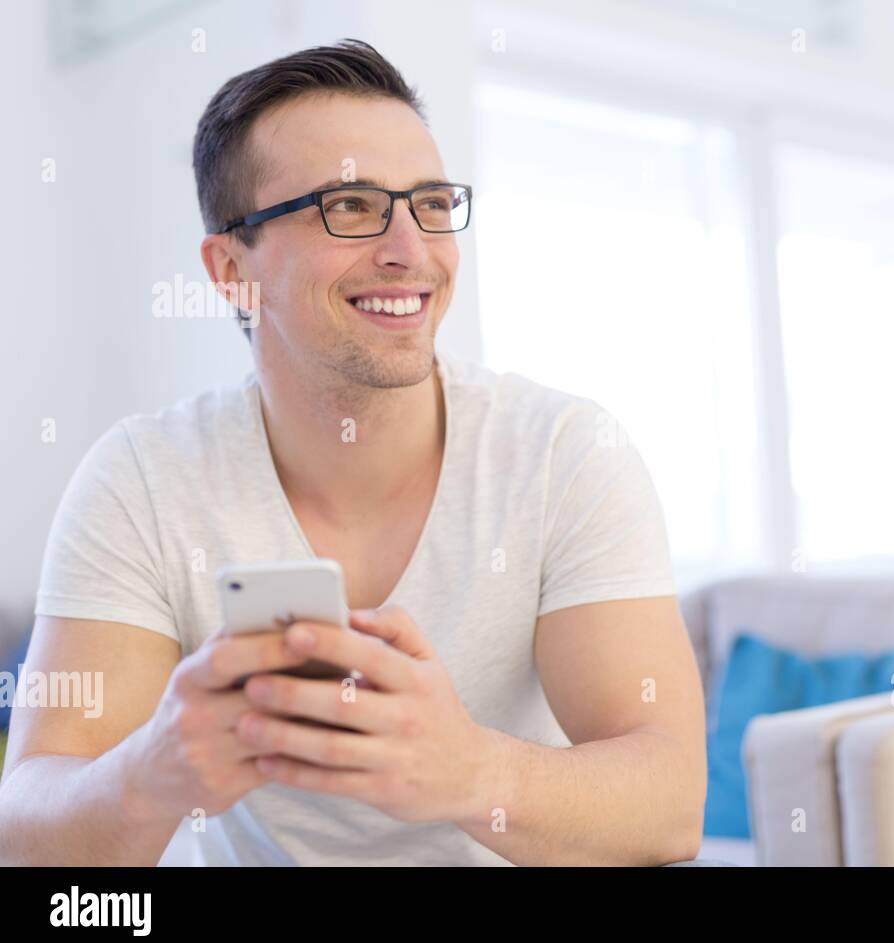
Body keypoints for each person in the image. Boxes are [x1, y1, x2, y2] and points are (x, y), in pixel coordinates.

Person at [0, 39, 707, 867]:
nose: (413, 248)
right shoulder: (142, 480)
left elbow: (669, 805)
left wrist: (466, 770)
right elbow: (27, 830)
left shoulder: (565, 455)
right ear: (232, 270)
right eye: (352, 205)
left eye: (432, 203)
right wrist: (152, 771)